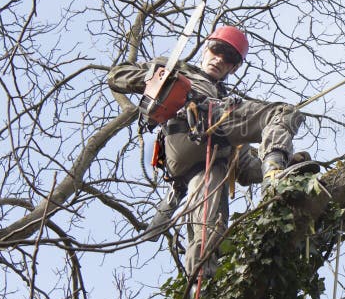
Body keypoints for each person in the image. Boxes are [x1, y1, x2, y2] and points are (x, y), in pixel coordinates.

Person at [107, 25, 304, 277]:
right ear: (206, 49)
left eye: (229, 59)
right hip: (185, 133)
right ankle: (274, 174)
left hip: (206, 163)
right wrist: (160, 81)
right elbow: (116, 75)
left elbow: (244, 170)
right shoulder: (178, 70)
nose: (220, 60)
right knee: (284, 112)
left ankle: (201, 293)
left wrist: (288, 161)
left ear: (233, 68)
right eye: (217, 51)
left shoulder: (227, 108)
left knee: (208, 231)